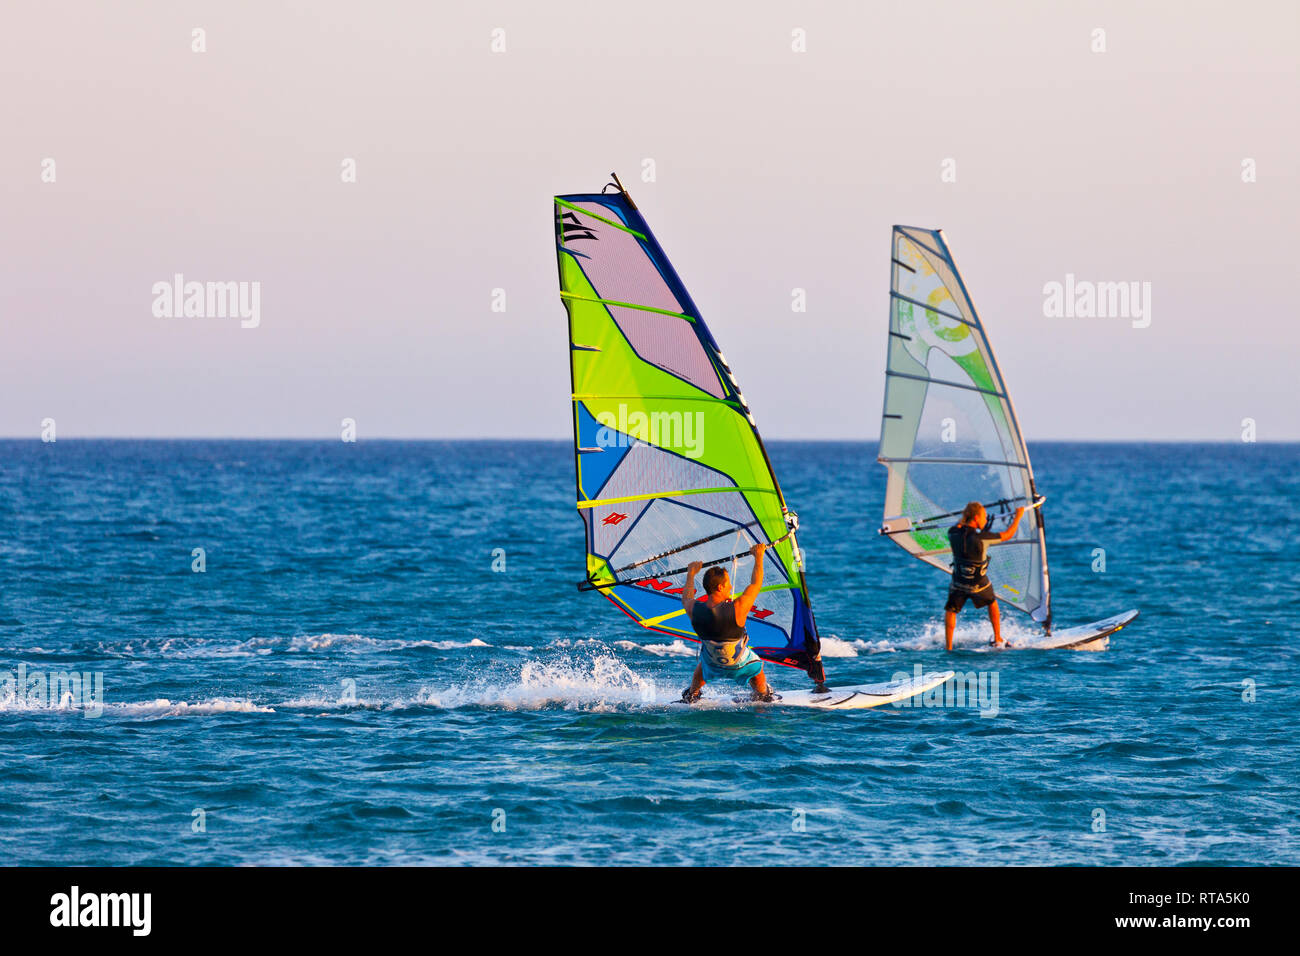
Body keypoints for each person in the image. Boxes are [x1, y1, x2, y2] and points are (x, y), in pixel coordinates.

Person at [679, 544, 777, 703]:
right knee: (757, 668)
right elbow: (755, 584)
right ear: (720, 587)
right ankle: (763, 694)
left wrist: (690, 574)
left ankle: (693, 694)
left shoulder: (693, 609)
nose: (731, 586)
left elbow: (686, 597)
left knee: (703, 664)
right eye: (728, 584)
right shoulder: (738, 607)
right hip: (738, 663)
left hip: (712, 663)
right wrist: (759, 556)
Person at [944, 501, 1027, 650]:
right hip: (977, 584)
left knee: (951, 609)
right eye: (983, 517)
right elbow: (1008, 535)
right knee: (992, 603)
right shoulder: (982, 538)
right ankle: (997, 638)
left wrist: (969, 521)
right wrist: (1018, 516)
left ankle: (948, 647)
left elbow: (962, 529)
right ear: (975, 518)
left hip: (959, 582)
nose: (985, 520)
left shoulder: (952, 532)